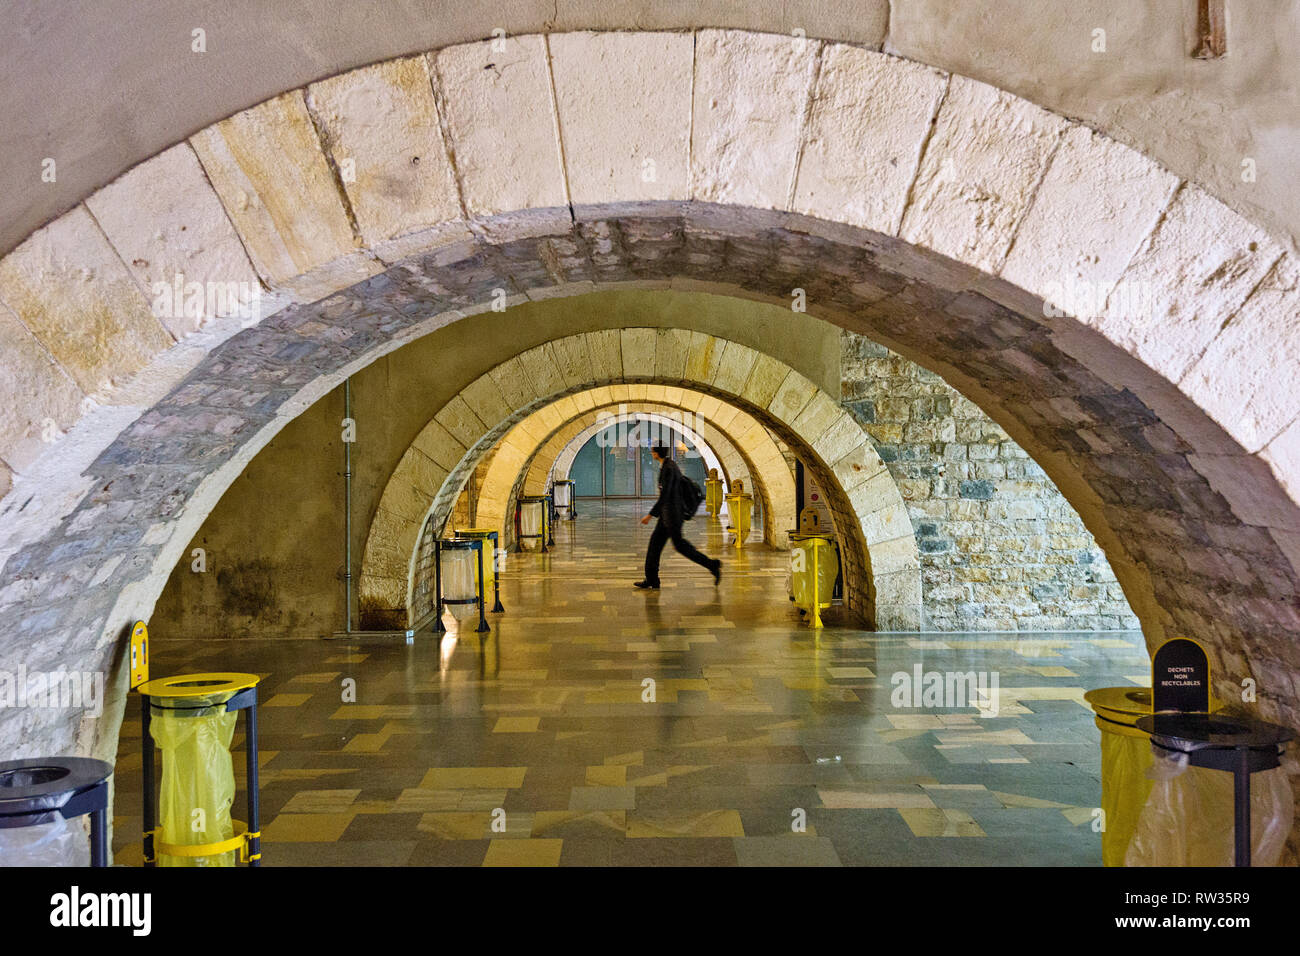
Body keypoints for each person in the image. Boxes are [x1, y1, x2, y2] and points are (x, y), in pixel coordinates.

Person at [635, 445, 721, 589]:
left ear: (656, 454)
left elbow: (666, 494)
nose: (651, 454)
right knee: (655, 546)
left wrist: (650, 515)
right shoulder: (669, 465)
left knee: (680, 546)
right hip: (668, 515)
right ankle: (652, 580)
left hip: (672, 515)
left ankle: (712, 565)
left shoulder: (669, 469)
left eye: (652, 452)